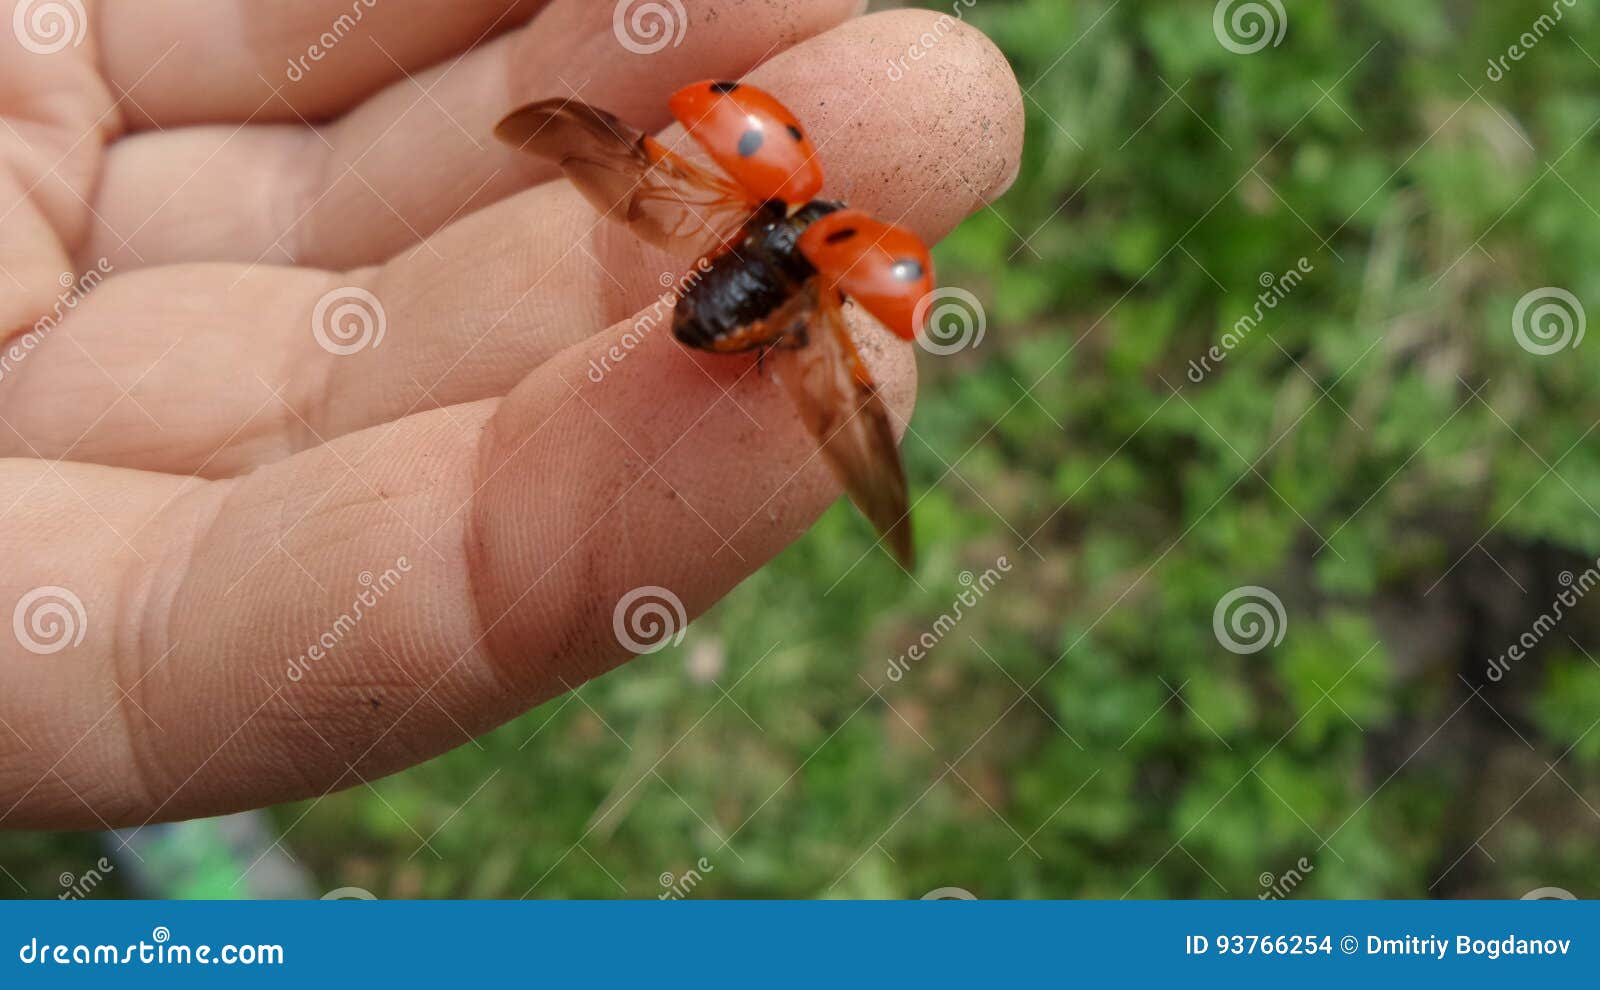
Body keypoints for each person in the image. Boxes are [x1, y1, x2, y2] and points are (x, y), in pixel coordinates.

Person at [0, 0, 1023, 830]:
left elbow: (617, 161)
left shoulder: (743, 216)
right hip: (726, 313)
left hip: (716, 300)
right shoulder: (808, 294)